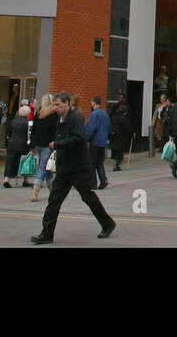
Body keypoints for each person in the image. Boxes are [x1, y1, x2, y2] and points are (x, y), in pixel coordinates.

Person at [31, 92, 115, 242]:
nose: (55, 108)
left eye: (58, 105)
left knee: (88, 197)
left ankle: (107, 223)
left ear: (67, 103)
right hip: (64, 168)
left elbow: (80, 139)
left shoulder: (75, 118)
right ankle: (47, 233)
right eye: (54, 105)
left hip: (78, 167)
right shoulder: (59, 119)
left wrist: (58, 144)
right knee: (54, 200)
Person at [29, 95, 58, 200]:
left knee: (47, 167)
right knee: (43, 167)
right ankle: (35, 191)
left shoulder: (38, 114)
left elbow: (33, 130)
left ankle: (52, 190)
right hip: (47, 145)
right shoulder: (53, 115)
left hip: (37, 144)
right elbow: (54, 131)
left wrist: (32, 144)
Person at [3, 102, 32, 188]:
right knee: (25, 162)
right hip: (23, 144)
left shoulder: (13, 121)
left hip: (12, 143)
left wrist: (7, 141)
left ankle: (6, 179)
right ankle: (25, 180)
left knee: (10, 162)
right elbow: (29, 134)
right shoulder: (28, 123)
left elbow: (8, 132)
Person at [86, 97, 111, 189]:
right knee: (100, 162)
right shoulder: (105, 114)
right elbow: (109, 127)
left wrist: (86, 138)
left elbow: (91, 128)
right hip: (103, 141)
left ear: (93, 103)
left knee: (92, 162)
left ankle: (93, 183)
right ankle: (103, 179)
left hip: (95, 141)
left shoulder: (94, 114)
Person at [110, 102, 132, 173]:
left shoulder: (113, 118)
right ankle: (117, 164)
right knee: (120, 152)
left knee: (115, 151)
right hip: (121, 138)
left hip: (114, 137)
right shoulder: (124, 119)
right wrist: (132, 133)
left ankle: (115, 163)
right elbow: (127, 129)